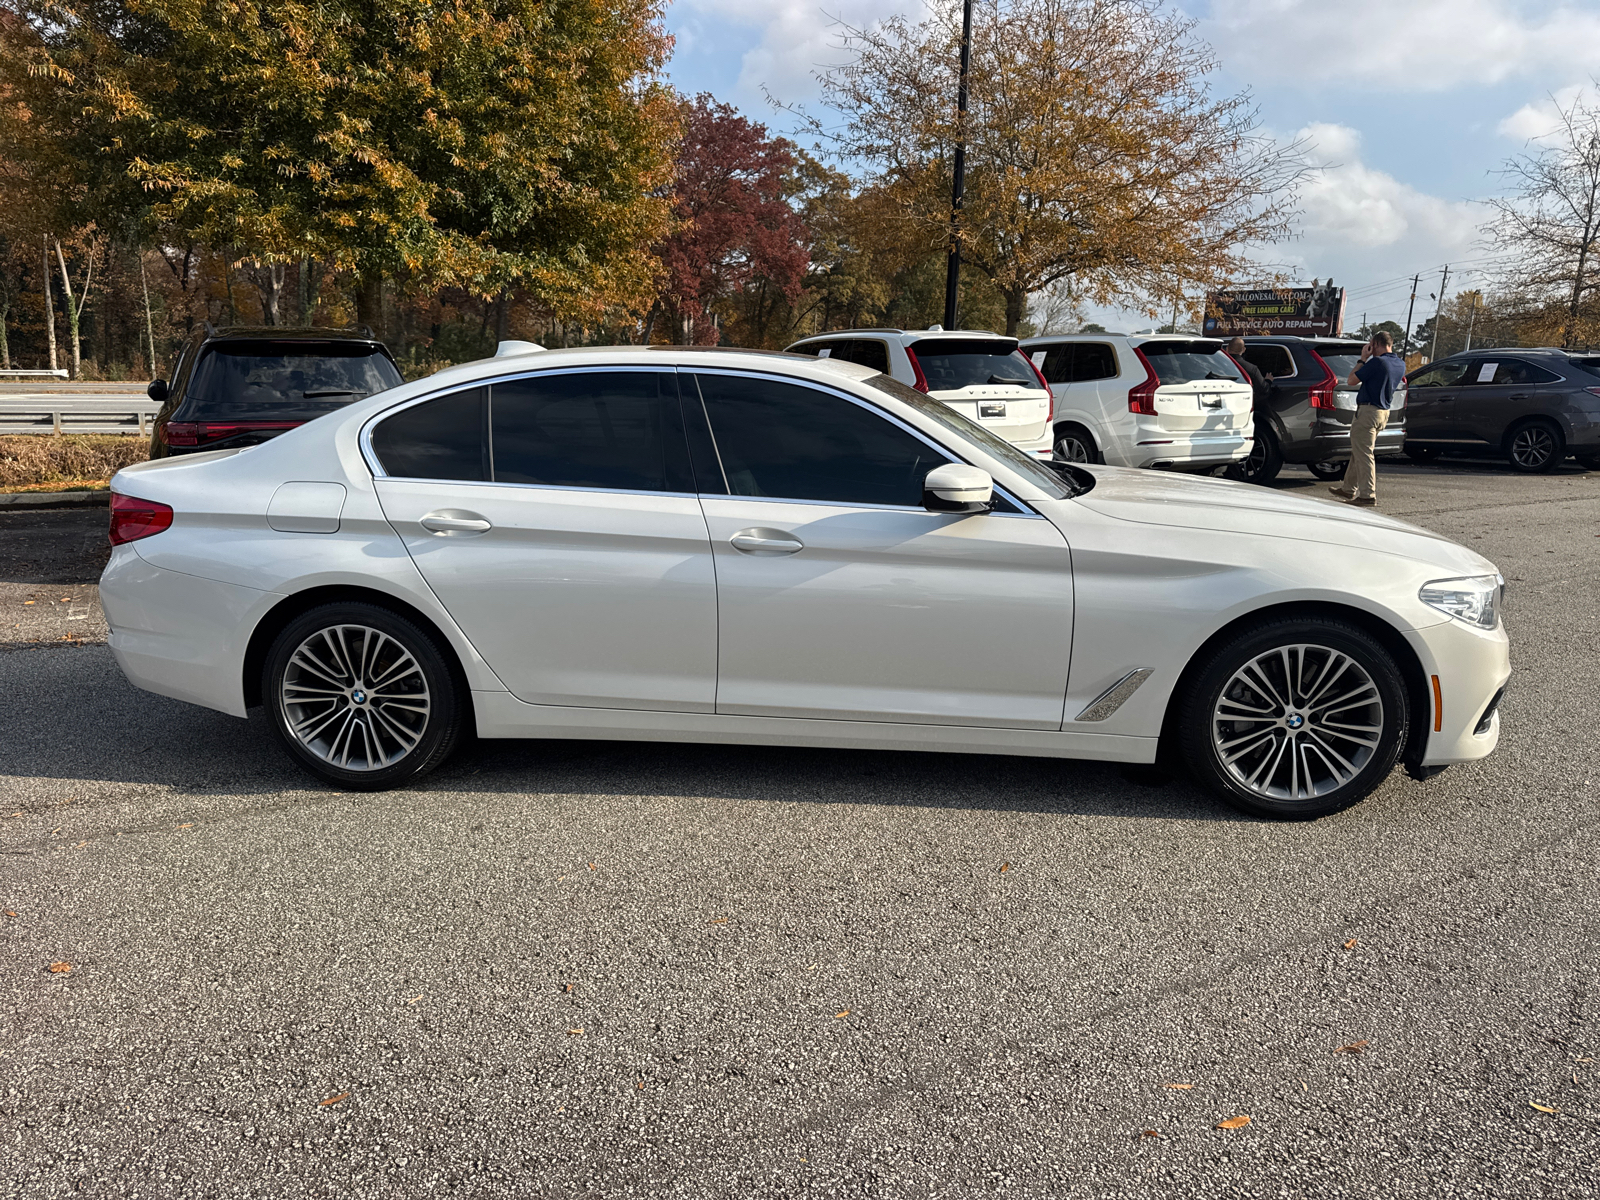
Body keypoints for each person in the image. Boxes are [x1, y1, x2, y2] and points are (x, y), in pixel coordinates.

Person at [1330, 330, 1404, 506]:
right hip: (1383, 412)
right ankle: (1348, 488)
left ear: (1376, 345)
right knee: (1360, 450)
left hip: (1368, 412)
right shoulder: (1400, 364)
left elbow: (1351, 380)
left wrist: (1363, 359)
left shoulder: (1377, 362)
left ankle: (1367, 495)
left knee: (1364, 454)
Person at [1226, 336, 1271, 404]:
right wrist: (1268, 380)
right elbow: (1263, 389)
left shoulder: (1218, 365)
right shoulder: (1251, 368)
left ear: (1227, 348)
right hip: (1243, 404)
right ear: (1243, 350)